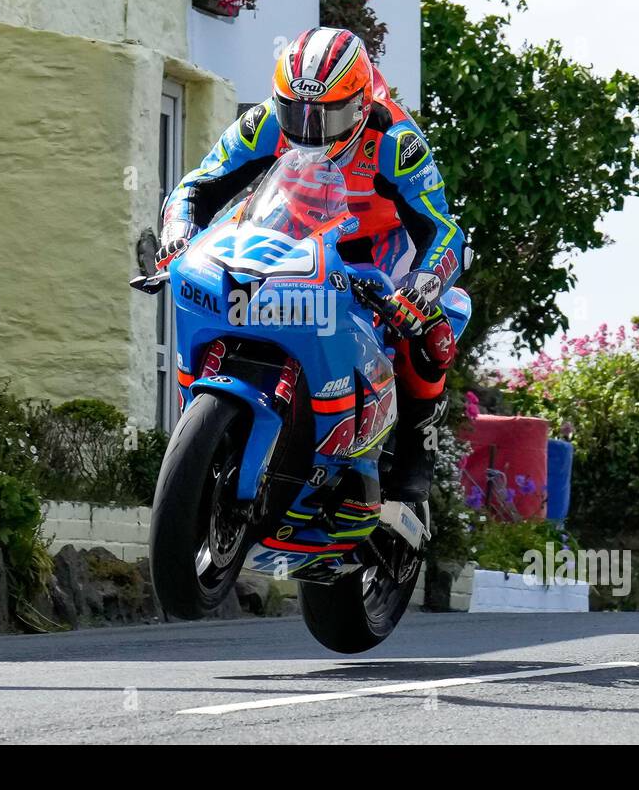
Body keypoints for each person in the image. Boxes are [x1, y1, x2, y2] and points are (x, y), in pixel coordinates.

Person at [158, 26, 466, 506]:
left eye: (330, 114)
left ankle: (415, 450)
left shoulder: (397, 141)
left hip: (378, 243)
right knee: (227, 284)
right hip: (290, 227)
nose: (310, 130)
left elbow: (442, 229)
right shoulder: (263, 122)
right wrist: (178, 235)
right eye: (296, 113)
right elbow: (199, 184)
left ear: (362, 105)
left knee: (425, 328)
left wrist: (419, 290)